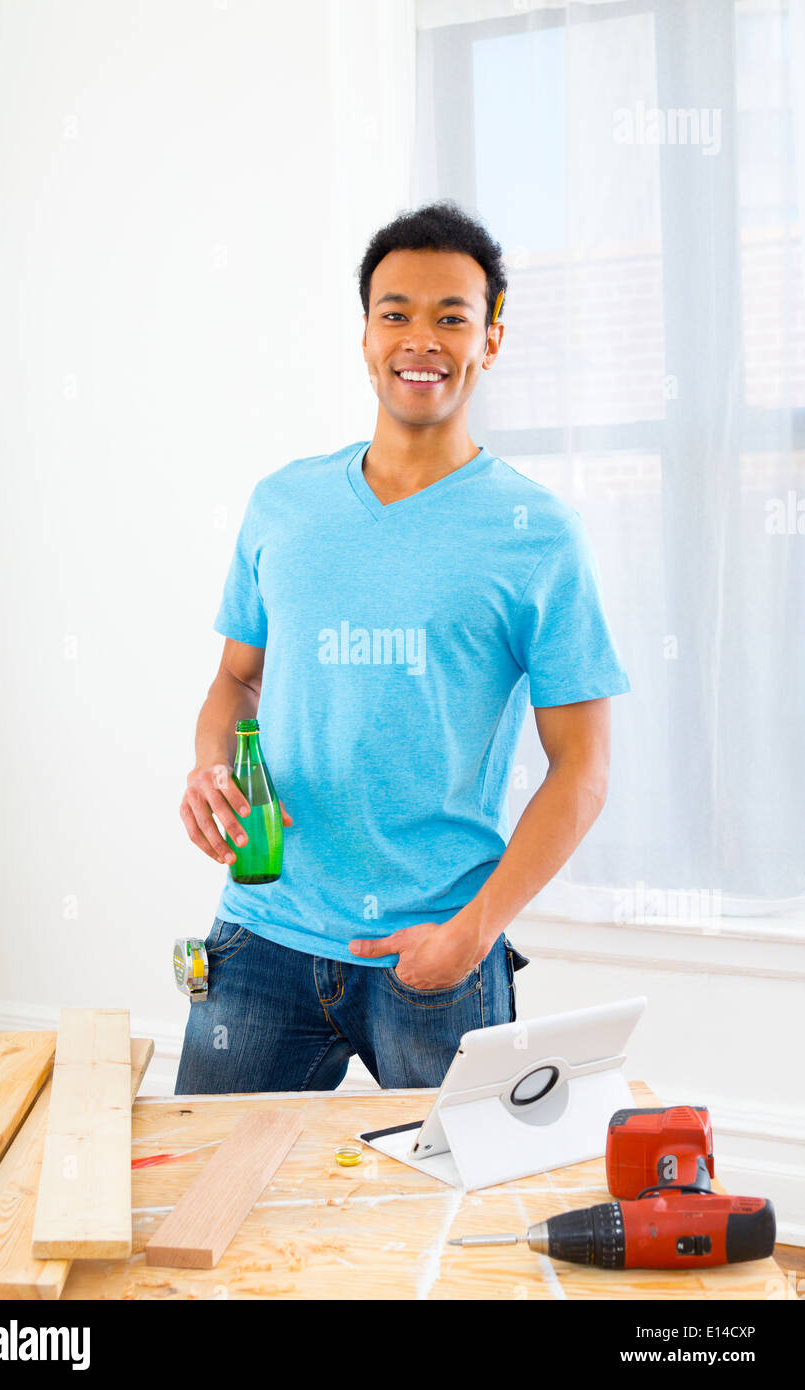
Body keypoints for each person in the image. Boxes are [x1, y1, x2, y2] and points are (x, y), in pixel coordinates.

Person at [175, 200, 630, 1093]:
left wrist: (474, 933)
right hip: (261, 937)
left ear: (490, 340)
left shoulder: (538, 534)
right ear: (366, 334)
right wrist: (211, 772)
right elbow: (236, 679)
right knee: (207, 1208)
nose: (421, 340)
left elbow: (582, 768)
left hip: (437, 951)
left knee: (457, 1217)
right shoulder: (285, 505)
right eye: (397, 314)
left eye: (451, 317)